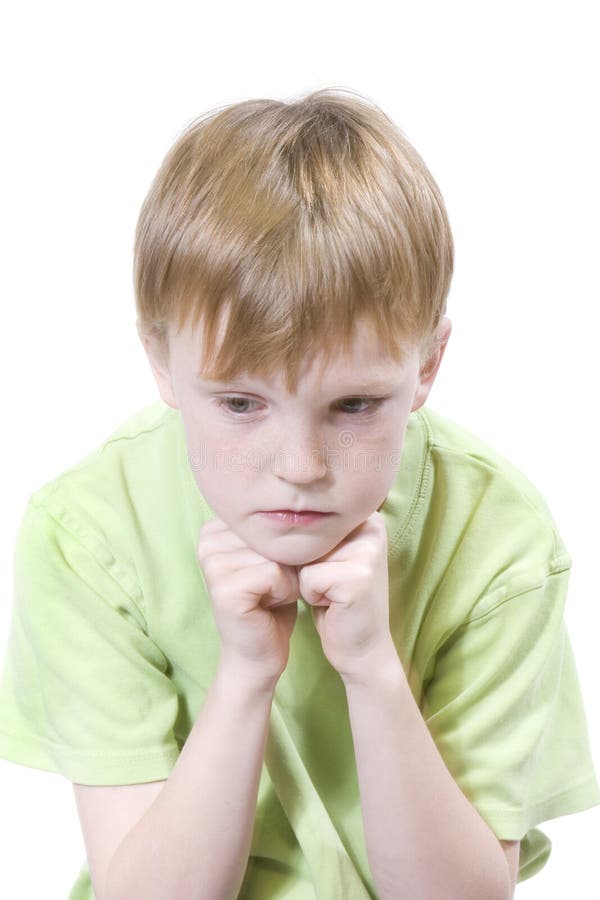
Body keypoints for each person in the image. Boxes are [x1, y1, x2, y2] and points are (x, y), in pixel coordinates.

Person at [0, 87, 598, 900]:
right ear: (161, 360)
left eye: (353, 405)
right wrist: (244, 677)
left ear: (425, 367)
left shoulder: (500, 542)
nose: (301, 466)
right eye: (241, 404)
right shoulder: (86, 531)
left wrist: (374, 670)